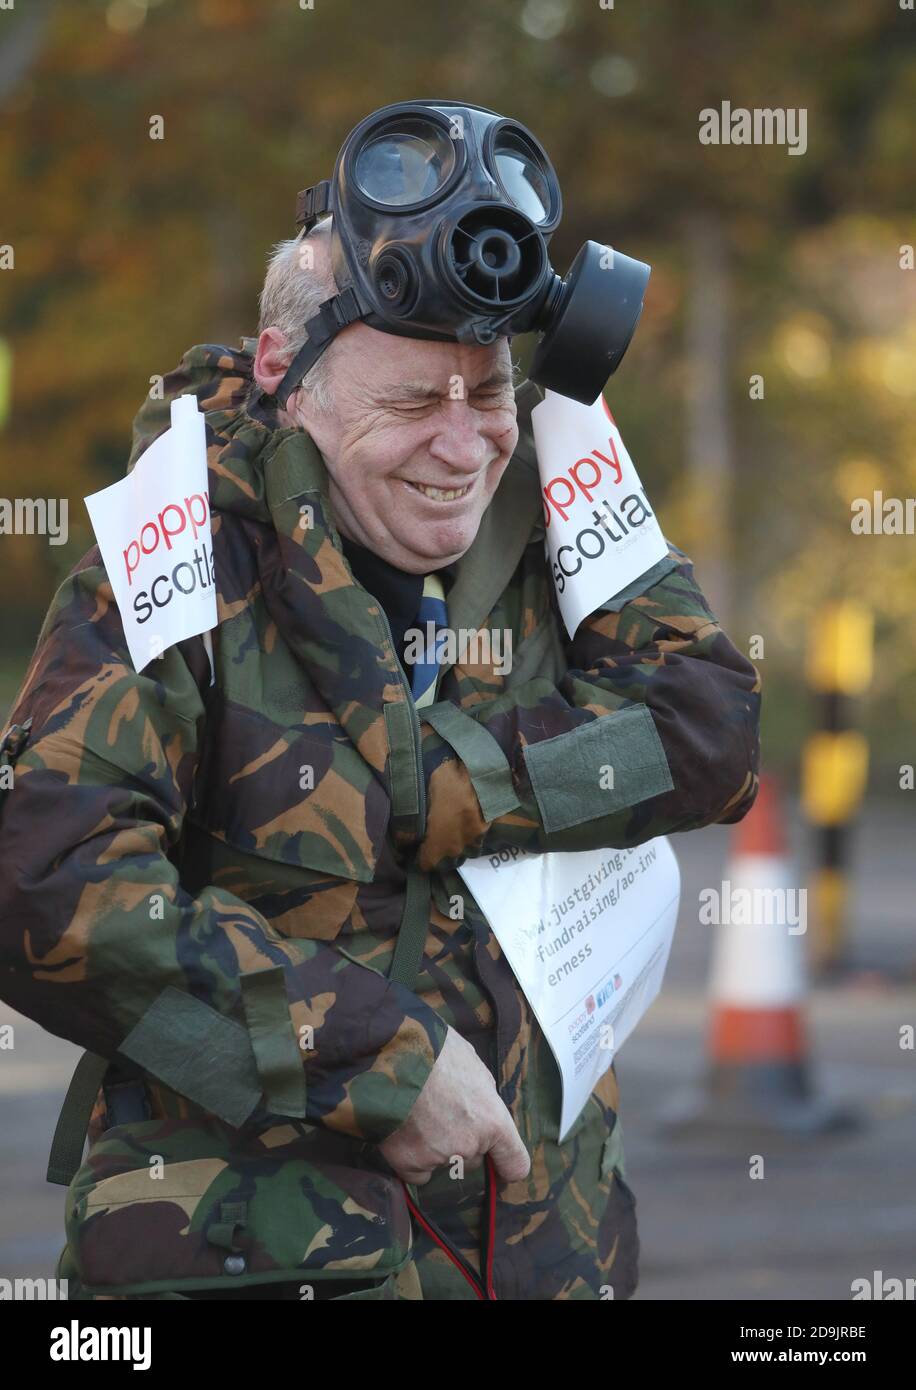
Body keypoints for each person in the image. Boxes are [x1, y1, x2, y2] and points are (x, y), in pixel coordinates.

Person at [0, 101, 761, 1300]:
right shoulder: (177, 547)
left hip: (546, 1244)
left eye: (488, 391)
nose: (462, 448)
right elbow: (48, 880)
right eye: (412, 402)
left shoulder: (549, 476)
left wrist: (466, 780)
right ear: (280, 373)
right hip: (262, 1252)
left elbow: (709, 731)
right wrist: (382, 1061)